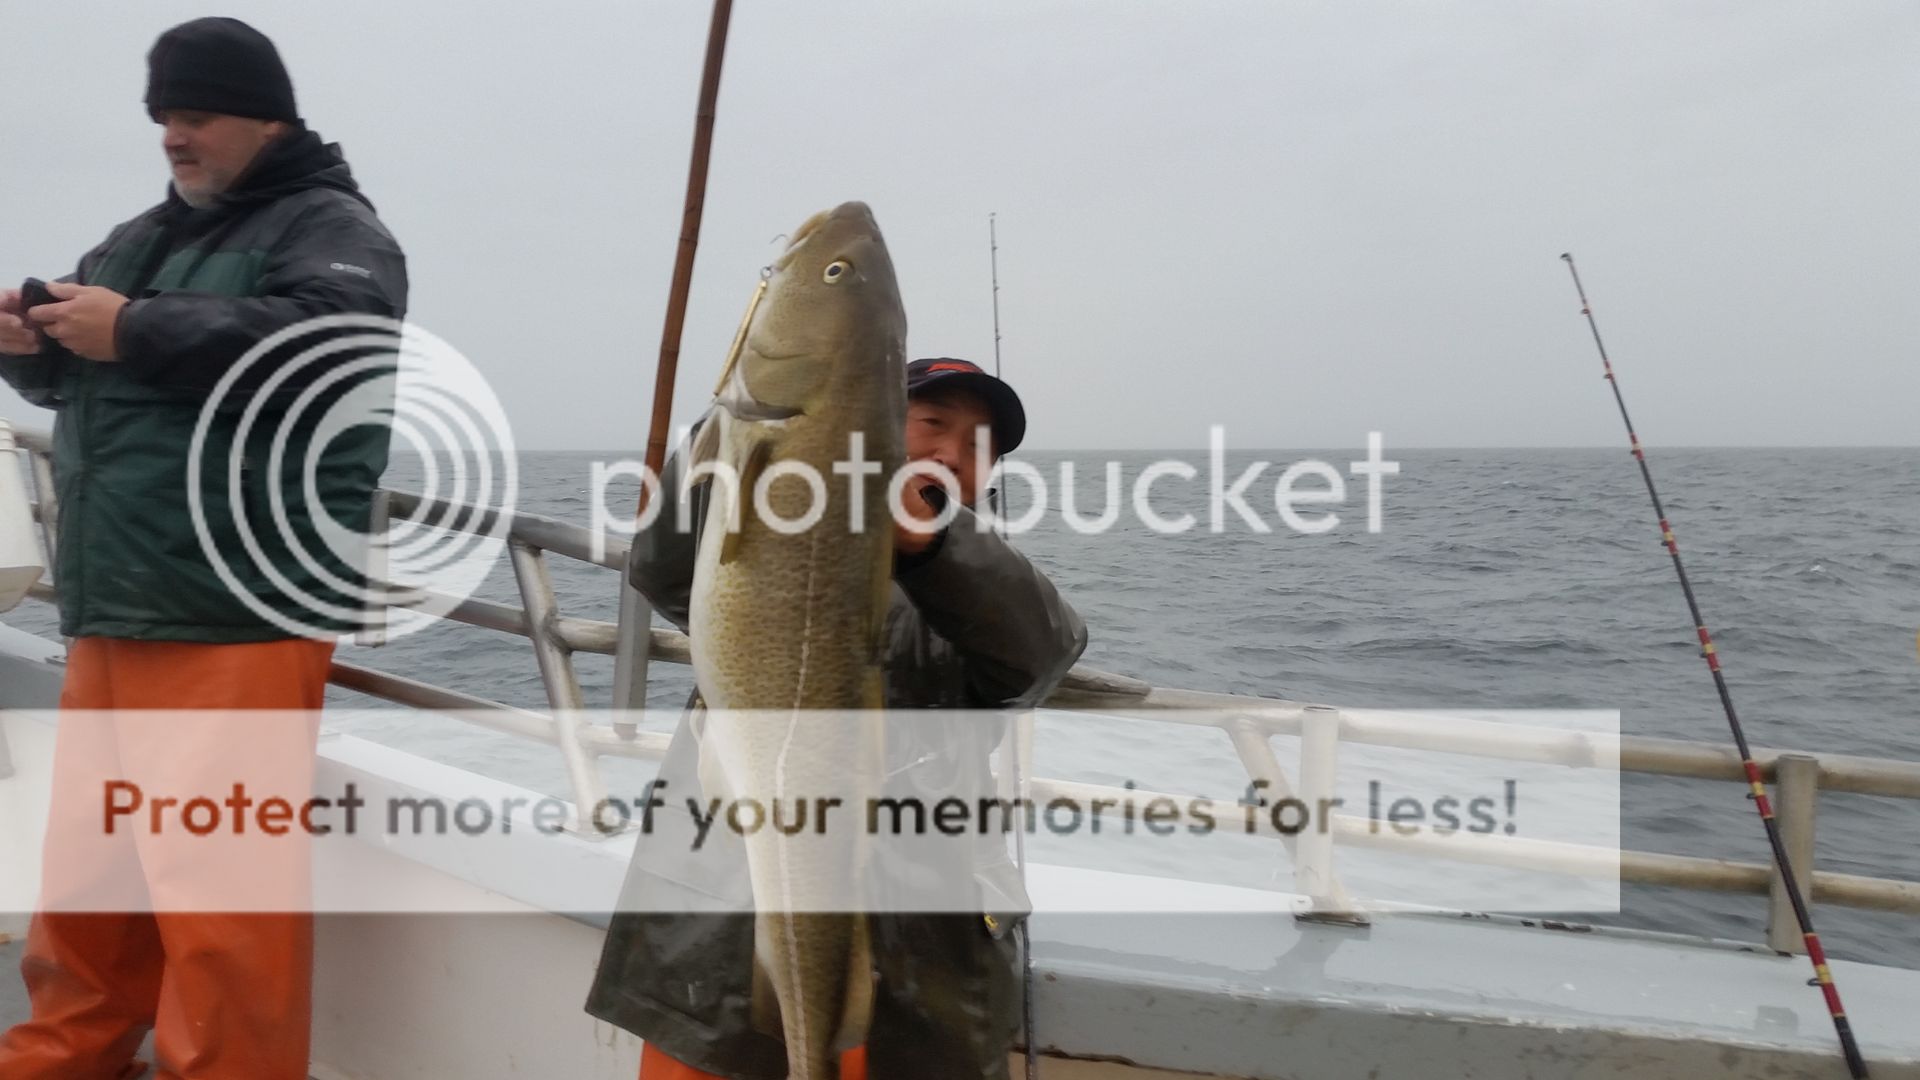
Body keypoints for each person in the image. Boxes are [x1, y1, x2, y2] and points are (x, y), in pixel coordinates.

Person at [0, 16, 406, 1079]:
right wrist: (32, 348)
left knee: (222, 901)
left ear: (265, 118)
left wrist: (132, 328)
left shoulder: (335, 228)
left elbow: (334, 347)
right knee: (88, 882)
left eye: (194, 116)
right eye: (163, 120)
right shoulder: (138, 239)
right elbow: (90, 379)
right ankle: (61, 1059)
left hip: (239, 609)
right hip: (117, 599)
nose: (173, 138)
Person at [586, 357, 1088, 1079]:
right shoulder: (762, 530)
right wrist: (742, 420)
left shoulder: (977, 584)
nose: (952, 452)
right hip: (718, 941)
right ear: (869, 425)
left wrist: (932, 545)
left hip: (916, 958)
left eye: (980, 446)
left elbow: (1043, 653)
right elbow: (662, 565)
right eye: (932, 422)